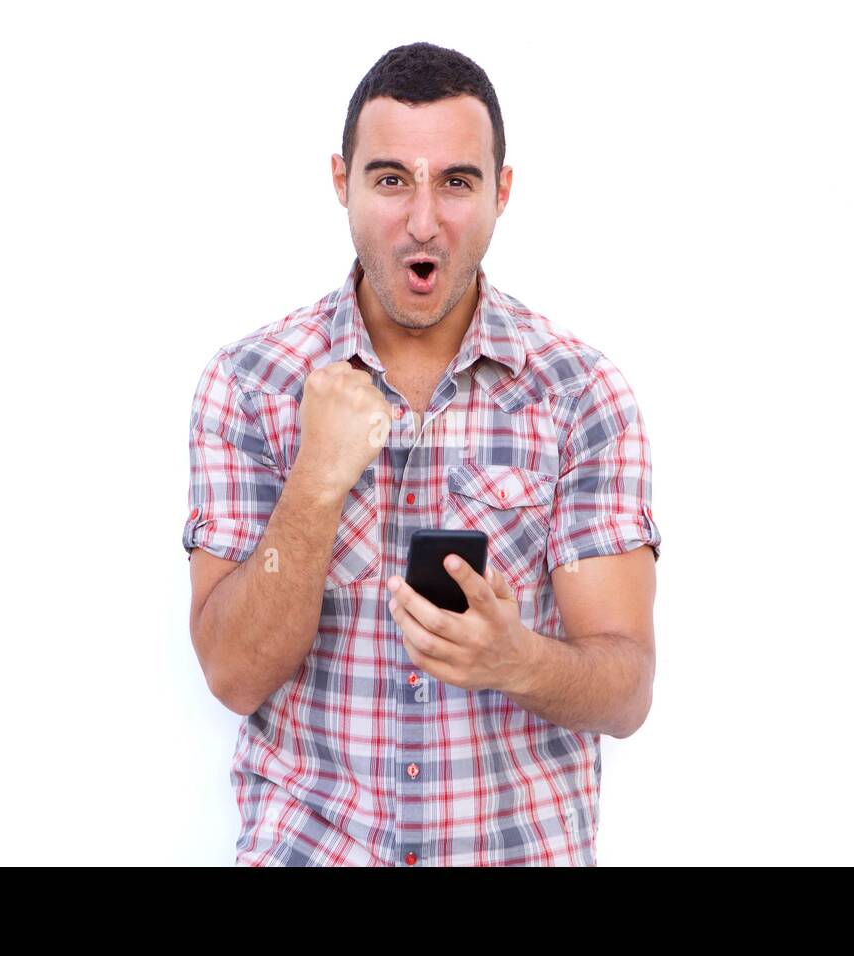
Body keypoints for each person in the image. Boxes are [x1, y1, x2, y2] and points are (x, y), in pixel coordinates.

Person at [183, 41, 662, 866]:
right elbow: (233, 676)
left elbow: (626, 690)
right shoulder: (250, 385)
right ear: (342, 183)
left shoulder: (581, 393)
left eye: (457, 181)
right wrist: (316, 481)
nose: (423, 219)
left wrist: (520, 661)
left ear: (502, 192)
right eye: (391, 178)